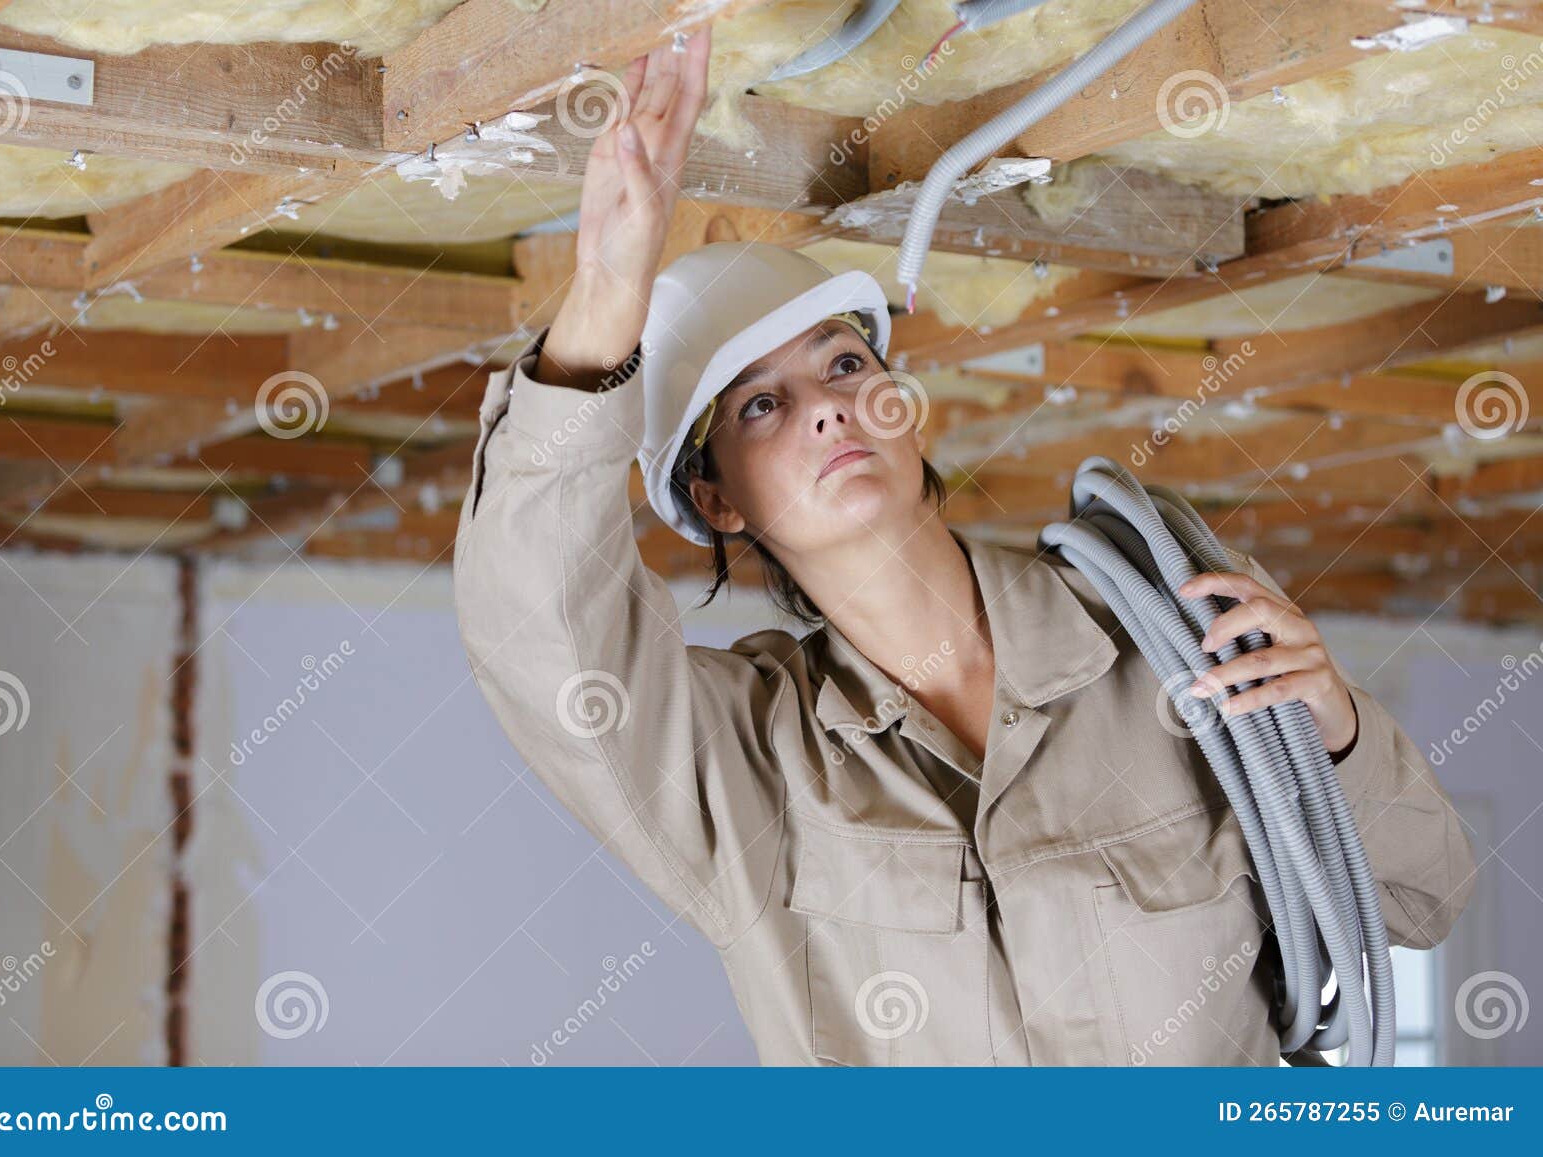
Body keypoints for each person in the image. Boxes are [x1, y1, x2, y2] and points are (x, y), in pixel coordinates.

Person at [452, 26, 1476, 1065]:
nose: (825, 410)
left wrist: (1335, 732)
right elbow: (542, 629)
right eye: (761, 404)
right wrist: (601, 305)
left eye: (844, 363)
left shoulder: (1170, 639)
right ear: (716, 500)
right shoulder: (750, 767)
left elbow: (1421, 897)